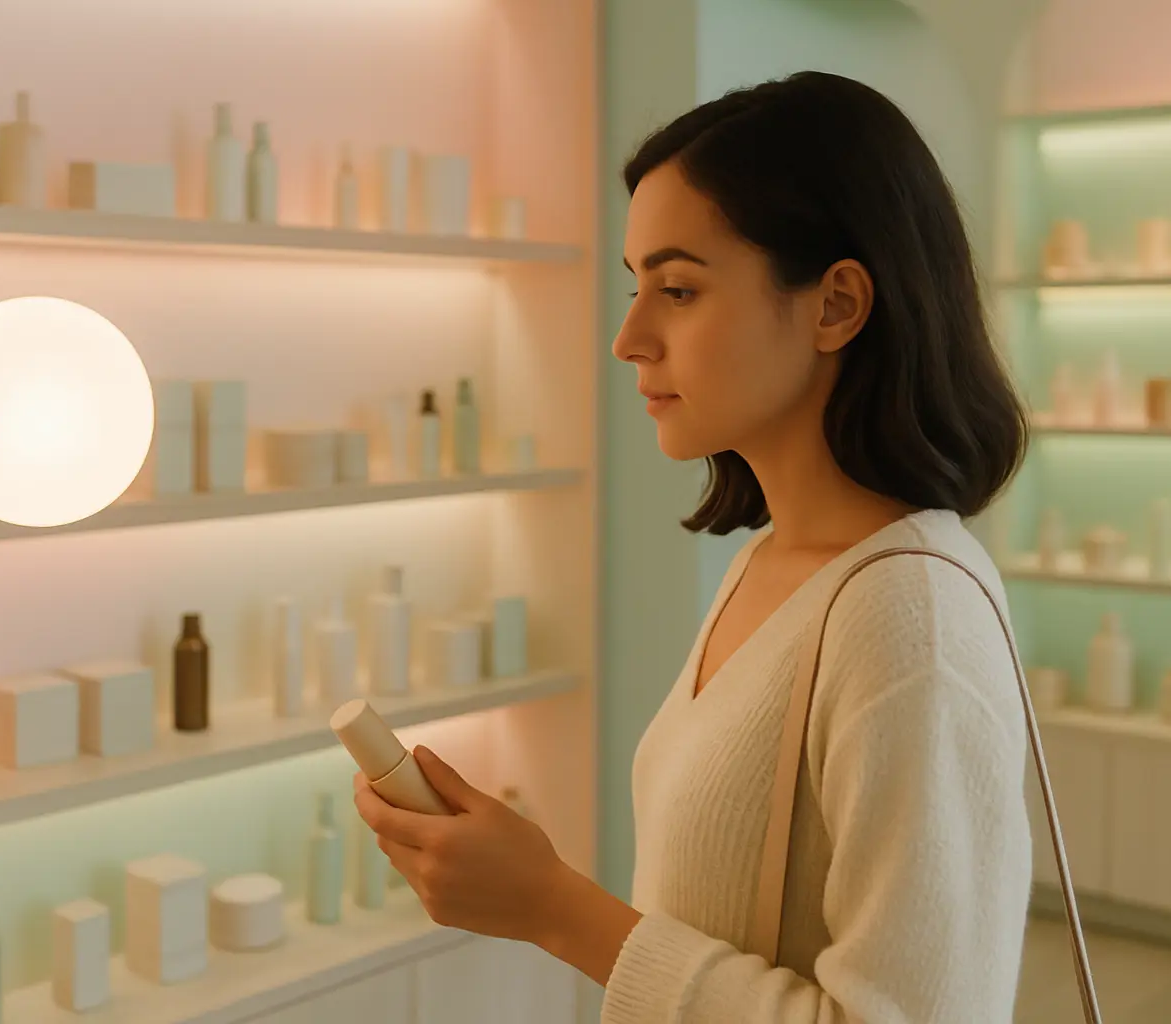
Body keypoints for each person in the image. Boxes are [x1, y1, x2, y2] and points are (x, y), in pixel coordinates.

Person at [354, 70, 1031, 1022]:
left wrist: (553, 907)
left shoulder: (908, 619)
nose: (630, 336)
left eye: (677, 288)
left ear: (837, 305)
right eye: (636, 288)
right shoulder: (773, 565)